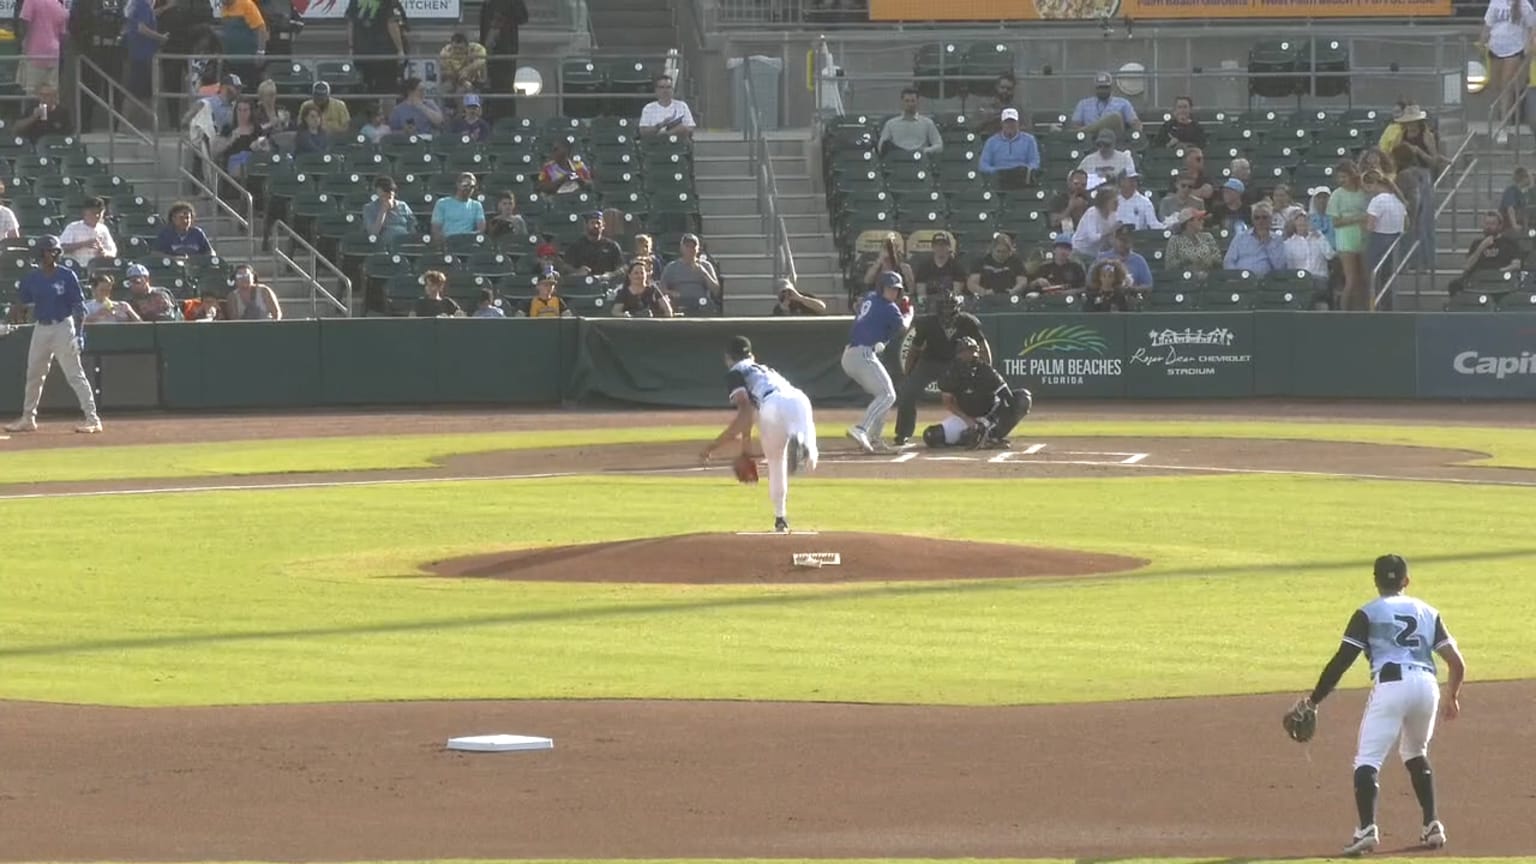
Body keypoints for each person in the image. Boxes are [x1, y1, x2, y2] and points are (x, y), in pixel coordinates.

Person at [1291, 554, 1462, 857]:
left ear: (1375, 580)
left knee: (1367, 759)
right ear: (1406, 581)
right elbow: (1456, 663)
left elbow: (1342, 661)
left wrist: (1314, 699)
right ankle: (1432, 824)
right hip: (1427, 687)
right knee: (1415, 753)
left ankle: (1366, 829)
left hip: (1391, 685)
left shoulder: (1367, 612)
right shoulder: (1428, 612)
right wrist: (1453, 695)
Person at [699, 334, 820, 534]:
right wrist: (745, 449)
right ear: (752, 355)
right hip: (798, 399)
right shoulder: (765, 370)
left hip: (770, 406)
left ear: (728, 358)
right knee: (809, 454)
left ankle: (780, 518)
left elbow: (746, 413)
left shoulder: (735, 373)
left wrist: (712, 447)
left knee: (776, 462)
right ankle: (802, 444)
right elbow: (748, 416)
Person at [4, 235, 102, 434]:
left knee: (75, 374)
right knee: (34, 375)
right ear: (40, 253)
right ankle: (28, 418)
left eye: (55, 250)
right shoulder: (32, 278)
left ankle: (93, 419)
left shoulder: (67, 275)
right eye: (49, 251)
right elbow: (20, 304)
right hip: (41, 328)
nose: (53, 254)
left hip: (63, 327)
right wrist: (7, 322)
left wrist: (79, 334)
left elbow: (79, 308)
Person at [894, 291, 989, 447]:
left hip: (957, 363)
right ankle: (903, 433)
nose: (946, 313)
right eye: (943, 309)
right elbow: (914, 350)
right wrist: (908, 372)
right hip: (929, 362)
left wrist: (985, 368)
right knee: (907, 393)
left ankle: (975, 428)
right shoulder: (927, 323)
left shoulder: (968, 322)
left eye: (950, 308)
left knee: (971, 394)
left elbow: (983, 347)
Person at [842, 270, 911, 454]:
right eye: (890, 288)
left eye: (896, 289)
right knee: (888, 395)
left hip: (854, 354)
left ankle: (874, 438)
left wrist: (900, 309)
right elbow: (903, 327)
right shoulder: (888, 308)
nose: (893, 292)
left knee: (883, 395)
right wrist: (909, 312)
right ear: (881, 288)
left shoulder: (870, 298)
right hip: (862, 354)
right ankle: (862, 429)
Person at [926, 336, 1030, 450]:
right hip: (965, 417)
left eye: (972, 351)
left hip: (989, 415)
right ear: (958, 354)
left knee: (1022, 398)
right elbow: (948, 403)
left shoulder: (986, 370)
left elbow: (1007, 397)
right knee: (931, 436)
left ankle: (991, 436)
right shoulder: (951, 374)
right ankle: (969, 437)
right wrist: (967, 419)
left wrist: (994, 420)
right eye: (966, 351)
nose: (970, 354)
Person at [1481, 0, 1536, 143]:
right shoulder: (1495, 2)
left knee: (1506, 88)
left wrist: (1530, 46)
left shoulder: (1524, 4)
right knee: (1496, 87)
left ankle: (1503, 127)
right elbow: (1488, 24)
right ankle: (1501, 118)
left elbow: (1532, 27)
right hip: (1495, 48)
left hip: (1515, 49)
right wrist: (1482, 41)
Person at [1329, 161, 1371, 310]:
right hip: (1346, 238)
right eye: (1339, 177)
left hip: (1363, 236)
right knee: (1351, 280)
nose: (1341, 180)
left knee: (1365, 280)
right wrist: (1357, 218)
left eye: (1344, 177)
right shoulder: (1336, 195)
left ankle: (1365, 310)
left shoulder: (1363, 192)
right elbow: (1335, 221)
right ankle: (1344, 313)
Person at [1364, 170, 1408, 310]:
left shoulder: (1377, 201)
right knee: (1389, 278)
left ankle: (1375, 306)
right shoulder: (1398, 200)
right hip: (1395, 240)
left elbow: (1370, 226)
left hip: (1379, 240)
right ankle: (1389, 306)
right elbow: (1407, 223)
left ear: (1372, 184)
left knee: (1375, 276)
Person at [1449, 211, 1523, 294]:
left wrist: (1500, 272)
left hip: (1499, 279)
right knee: (1453, 285)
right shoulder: (1477, 243)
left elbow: (1516, 265)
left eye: (1492, 224)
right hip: (1479, 279)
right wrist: (1481, 247)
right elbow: (1467, 266)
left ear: (1500, 226)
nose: (1489, 227)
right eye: (1487, 223)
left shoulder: (1509, 242)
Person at [346, 0, 407, 99]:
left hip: (362, 53)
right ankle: (386, 114)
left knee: (367, 90)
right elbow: (392, 24)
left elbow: (350, 24)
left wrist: (351, 47)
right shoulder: (389, 2)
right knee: (388, 91)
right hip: (385, 54)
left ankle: (372, 112)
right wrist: (400, 49)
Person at [479, 0, 529, 110]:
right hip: (488, 51)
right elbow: (483, 26)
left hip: (507, 51)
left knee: (505, 87)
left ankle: (506, 121)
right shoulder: (488, 3)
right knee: (489, 86)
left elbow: (523, 17)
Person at [121, 0, 169, 111]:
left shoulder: (135, 4)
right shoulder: (142, 4)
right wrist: (160, 37)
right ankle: (123, 126)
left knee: (147, 93)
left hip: (139, 53)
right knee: (135, 92)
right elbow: (141, 28)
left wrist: (167, 7)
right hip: (142, 55)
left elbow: (148, 16)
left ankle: (151, 124)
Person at [977, 107, 1039, 189]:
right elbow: (983, 165)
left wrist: (1026, 171)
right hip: (999, 180)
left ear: (1018, 123)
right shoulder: (991, 142)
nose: (1010, 125)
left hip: (1021, 180)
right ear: (1002, 124)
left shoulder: (1029, 140)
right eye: (1007, 122)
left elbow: (1034, 162)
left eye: (1013, 122)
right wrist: (996, 171)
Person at [658, 233, 721, 310]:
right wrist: (671, 293)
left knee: (708, 305)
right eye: (687, 246)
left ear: (698, 249)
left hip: (700, 302)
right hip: (679, 302)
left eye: (693, 247)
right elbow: (660, 290)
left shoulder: (706, 265)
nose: (690, 249)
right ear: (681, 248)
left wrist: (704, 273)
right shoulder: (671, 267)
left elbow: (716, 291)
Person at [18, 0, 66, 97]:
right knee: (51, 94)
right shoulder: (58, 5)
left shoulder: (31, 1)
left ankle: (34, 111)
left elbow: (24, 23)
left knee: (32, 93)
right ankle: (50, 111)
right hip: (53, 54)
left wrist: (21, 42)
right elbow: (62, 34)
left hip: (35, 52)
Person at [1070, 71, 1141, 136]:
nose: (1102, 90)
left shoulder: (1123, 103)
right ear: (1095, 88)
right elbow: (1075, 125)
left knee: (1115, 118)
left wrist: (1135, 135)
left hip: (1115, 141)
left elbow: (1135, 123)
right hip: (1089, 141)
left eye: (1105, 87)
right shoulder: (1083, 104)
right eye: (1100, 87)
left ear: (1111, 88)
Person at [1223, 204, 1287, 276]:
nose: (1261, 221)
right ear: (1253, 220)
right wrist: (1236, 276)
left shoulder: (1277, 240)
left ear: (1270, 219)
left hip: (1265, 281)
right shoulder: (1240, 237)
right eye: (1257, 218)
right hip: (1240, 280)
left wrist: (1267, 244)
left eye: (1264, 217)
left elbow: (1280, 266)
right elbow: (1228, 261)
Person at [878, 87, 942, 158]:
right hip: (897, 161)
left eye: (913, 101)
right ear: (902, 102)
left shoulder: (928, 123)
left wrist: (925, 151)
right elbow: (881, 146)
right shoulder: (890, 124)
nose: (910, 104)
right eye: (907, 101)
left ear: (917, 102)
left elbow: (939, 145)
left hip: (920, 160)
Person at [1284, 210, 1335, 296]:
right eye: (1299, 223)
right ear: (1294, 225)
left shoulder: (1319, 237)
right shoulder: (1288, 244)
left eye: (1305, 222)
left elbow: (1330, 255)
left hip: (1319, 279)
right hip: (1300, 280)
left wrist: (1319, 238)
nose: (1302, 226)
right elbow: (1290, 268)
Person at [429, 172, 487, 246]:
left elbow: (481, 230)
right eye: (465, 185)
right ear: (458, 185)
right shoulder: (442, 203)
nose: (468, 188)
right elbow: (435, 229)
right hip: (447, 243)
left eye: (471, 186)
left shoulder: (477, 205)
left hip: (468, 244)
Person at [218, 0, 268, 84]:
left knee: (250, 88)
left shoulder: (246, 4)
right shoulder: (223, 8)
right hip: (231, 60)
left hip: (248, 59)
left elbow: (260, 28)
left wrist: (261, 52)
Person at [211, 99, 264, 178]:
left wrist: (259, 146)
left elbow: (265, 145)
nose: (242, 113)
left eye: (245, 110)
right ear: (235, 111)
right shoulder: (228, 128)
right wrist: (230, 139)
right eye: (239, 110)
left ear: (250, 112)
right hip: (233, 163)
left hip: (252, 162)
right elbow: (214, 151)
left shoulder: (257, 128)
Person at [59, 197, 117, 268]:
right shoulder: (73, 227)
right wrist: (84, 244)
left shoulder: (103, 229)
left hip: (98, 268)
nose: (97, 216)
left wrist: (104, 253)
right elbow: (61, 248)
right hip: (78, 267)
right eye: (93, 213)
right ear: (85, 212)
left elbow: (112, 251)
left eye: (99, 213)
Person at [565, 211, 625, 280]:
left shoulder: (612, 246)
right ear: (586, 225)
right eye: (592, 223)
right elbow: (566, 267)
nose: (595, 226)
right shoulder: (576, 246)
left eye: (598, 223)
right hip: (581, 284)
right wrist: (577, 271)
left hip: (605, 283)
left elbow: (622, 268)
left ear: (603, 226)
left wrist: (609, 275)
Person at [1164, 209, 1223, 275]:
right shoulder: (1175, 240)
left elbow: (1218, 258)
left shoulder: (1207, 237)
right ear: (1189, 222)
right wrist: (1187, 262)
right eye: (1199, 219)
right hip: (1183, 279)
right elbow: (1170, 265)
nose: (1203, 222)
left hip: (1209, 276)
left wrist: (1203, 261)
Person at [967, 232, 1027, 296]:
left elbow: (1022, 282)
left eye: (1004, 251)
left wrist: (1014, 291)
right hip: (986, 297)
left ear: (1009, 252)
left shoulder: (1016, 262)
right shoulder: (981, 261)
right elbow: (972, 283)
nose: (1001, 254)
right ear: (992, 249)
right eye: (998, 251)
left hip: (1009, 296)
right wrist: (984, 292)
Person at [363, 177, 419, 246]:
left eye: (389, 197)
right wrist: (383, 211)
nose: (386, 200)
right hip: (385, 242)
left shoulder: (403, 205)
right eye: (383, 196)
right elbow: (373, 233)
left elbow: (412, 227)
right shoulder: (369, 208)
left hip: (405, 240)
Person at [911, 232, 966, 301]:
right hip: (929, 305)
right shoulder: (924, 266)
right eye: (937, 245)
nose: (940, 248)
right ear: (932, 247)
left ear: (949, 247)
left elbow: (957, 293)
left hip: (949, 304)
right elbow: (921, 293)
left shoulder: (956, 266)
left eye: (943, 245)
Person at [1097, 224, 1154, 291]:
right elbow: (1091, 282)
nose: (1123, 243)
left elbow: (1148, 285)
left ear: (1131, 241)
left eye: (1126, 240)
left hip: (1130, 298)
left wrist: (1133, 289)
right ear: (1114, 240)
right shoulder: (1103, 258)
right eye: (1120, 239)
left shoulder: (1138, 260)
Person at [639, 74, 697, 139]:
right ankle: (663, 137)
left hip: (677, 142)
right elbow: (643, 132)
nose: (665, 91)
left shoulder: (682, 106)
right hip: (655, 144)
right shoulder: (648, 108)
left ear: (672, 90)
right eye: (662, 87)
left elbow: (691, 128)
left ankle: (664, 136)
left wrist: (674, 130)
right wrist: (661, 125)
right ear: (656, 90)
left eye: (668, 87)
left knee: (682, 127)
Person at [1071, 187, 1119, 264]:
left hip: (1095, 255)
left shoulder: (1113, 216)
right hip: (1079, 253)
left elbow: (1109, 240)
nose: (1117, 204)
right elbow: (1092, 238)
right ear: (1104, 202)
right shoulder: (1092, 213)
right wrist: (1110, 231)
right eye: (1114, 201)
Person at [438, 31, 488, 96]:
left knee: (461, 92)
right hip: (454, 79)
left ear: (467, 46)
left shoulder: (477, 48)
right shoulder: (445, 51)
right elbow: (447, 70)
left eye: (461, 49)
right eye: (455, 48)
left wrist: (467, 70)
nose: (457, 51)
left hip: (475, 80)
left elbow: (481, 61)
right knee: (443, 89)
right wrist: (461, 79)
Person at [970, 73, 1018, 138]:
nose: (1005, 91)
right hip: (987, 141)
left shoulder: (1017, 109)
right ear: (997, 87)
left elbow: (1026, 129)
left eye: (1008, 89)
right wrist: (989, 120)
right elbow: (973, 128)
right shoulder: (984, 105)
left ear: (1013, 90)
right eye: (1002, 87)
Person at [1500, 166, 1531, 238]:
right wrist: (1514, 225)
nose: (1530, 179)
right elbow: (1510, 208)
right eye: (1528, 177)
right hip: (1507, 226)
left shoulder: (1522, 193)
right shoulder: (1511, 190)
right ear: (1524, 178)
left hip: (1519, 225)